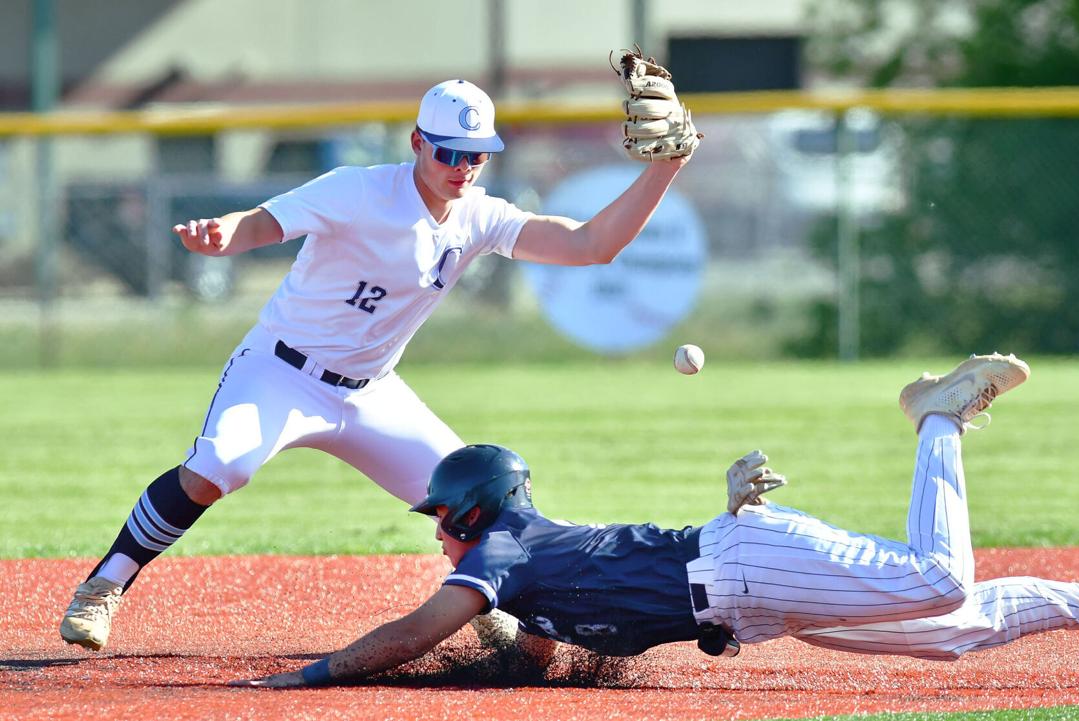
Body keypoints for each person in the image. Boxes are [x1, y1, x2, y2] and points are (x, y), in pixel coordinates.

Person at [59, 76, 697, 651]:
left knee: (486, 498)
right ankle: (103, 586)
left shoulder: (479, 216)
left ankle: (492, 604)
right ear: (418, 141)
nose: (462, 166)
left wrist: (667, 167)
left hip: (371, 392)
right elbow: (262, 222)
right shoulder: (357, 191)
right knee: (219, 467)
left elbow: (591, 246)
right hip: (281, 370)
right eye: (448, 151)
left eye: (477, 155)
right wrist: (225, 233)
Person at [231, 353, 1079, 688]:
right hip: (749, 595)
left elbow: (415, 632)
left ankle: (938, 417)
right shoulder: (527, 574)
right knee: (954, 634)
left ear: (475, 510)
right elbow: (530, 655)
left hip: (743, 568)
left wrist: (311, 673)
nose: (438, 533)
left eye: (442, 515)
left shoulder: (504, 549)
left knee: (939, 579)